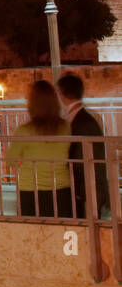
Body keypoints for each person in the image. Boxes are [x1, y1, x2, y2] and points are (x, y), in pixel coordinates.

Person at [8, 80, 73, 218]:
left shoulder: (24, 130)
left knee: (32, 233)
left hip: (30, 188)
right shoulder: (66, 127)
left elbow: (10, 160)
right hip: (61, 187)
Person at [57, 73, 110, 219]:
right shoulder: (86, 117)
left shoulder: (83, 121)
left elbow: (83, 158)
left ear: (62, 93)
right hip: (87, 188)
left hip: (87, 190)